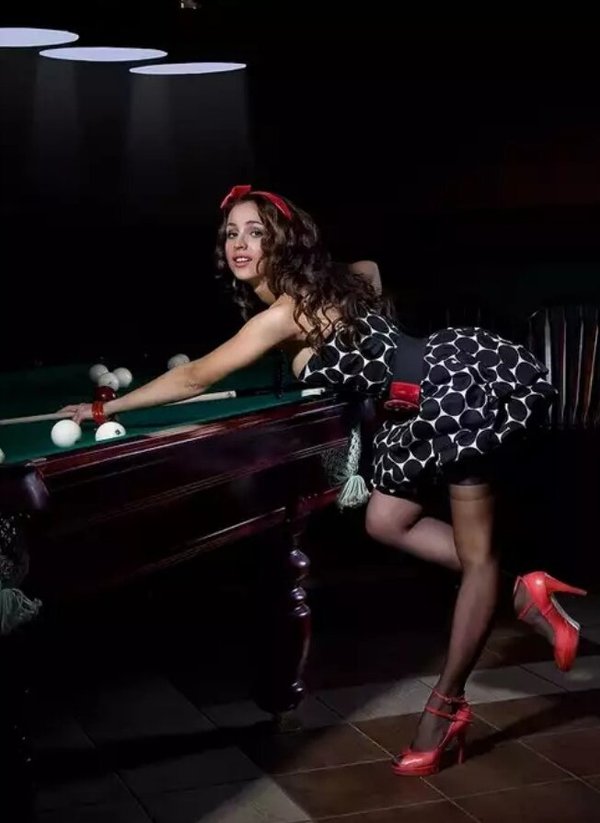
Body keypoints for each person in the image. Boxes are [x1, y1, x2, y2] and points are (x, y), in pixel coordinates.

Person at [60, 184, 586, 776]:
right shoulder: (329, 285)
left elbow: (195, 378)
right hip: (417, 408)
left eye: (256, 232)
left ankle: (445, 709)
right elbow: (370, 269)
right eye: (232, 233)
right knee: (385, 520)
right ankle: (524, 592)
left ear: (282, 242)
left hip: (455, 393)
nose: (240, 244)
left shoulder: (284, 314)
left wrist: (105, 408)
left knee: (477, 557)